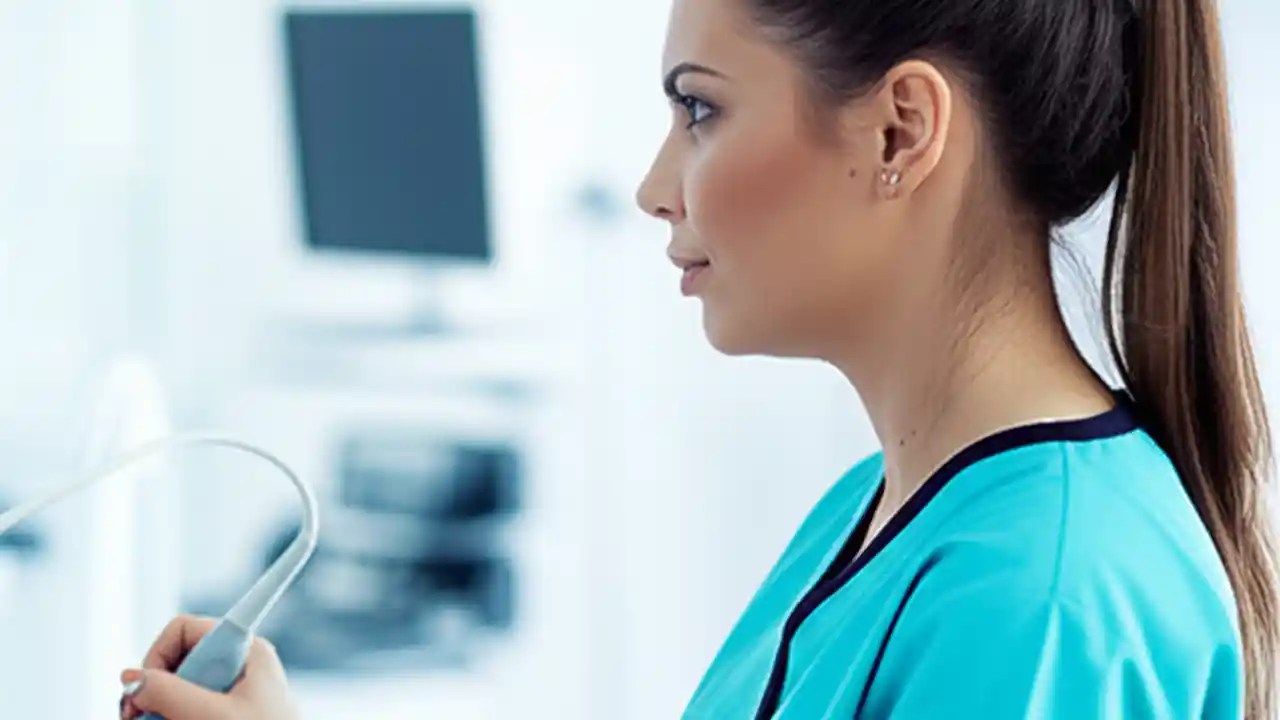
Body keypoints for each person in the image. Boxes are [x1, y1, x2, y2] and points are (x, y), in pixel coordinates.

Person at [120, 0, 1279, 717]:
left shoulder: (1041, 597)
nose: (652, 186)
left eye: (699, 111)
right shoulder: (884, 512)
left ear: (898, 131)